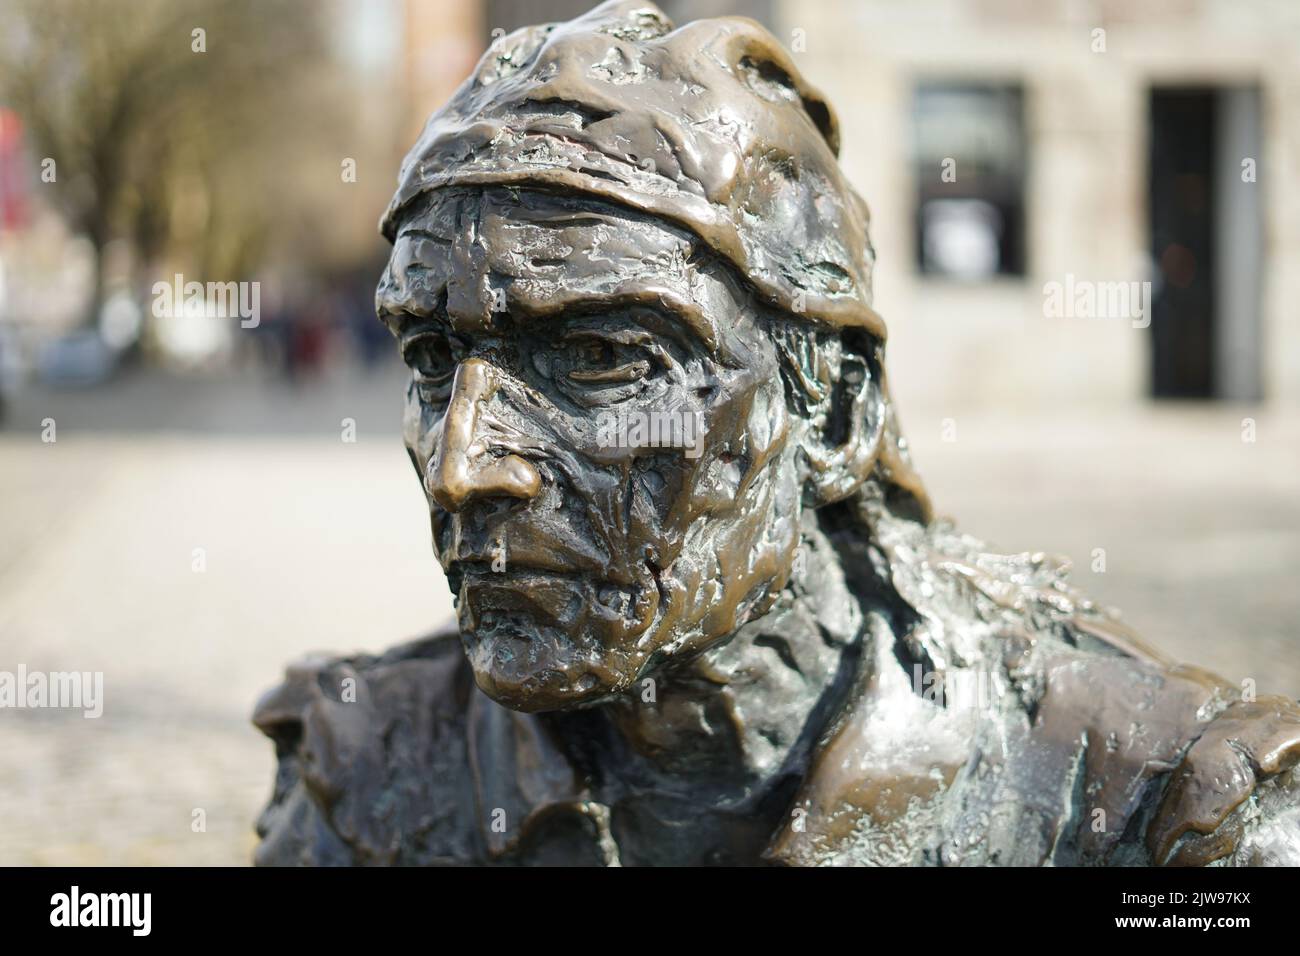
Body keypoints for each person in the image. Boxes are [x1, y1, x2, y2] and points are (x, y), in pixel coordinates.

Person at [253, 1, 1300, 866]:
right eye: (434, 362)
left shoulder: (1156, 812)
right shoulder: (365, 781)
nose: (461, 467)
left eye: (597, 360)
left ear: (833, 411)